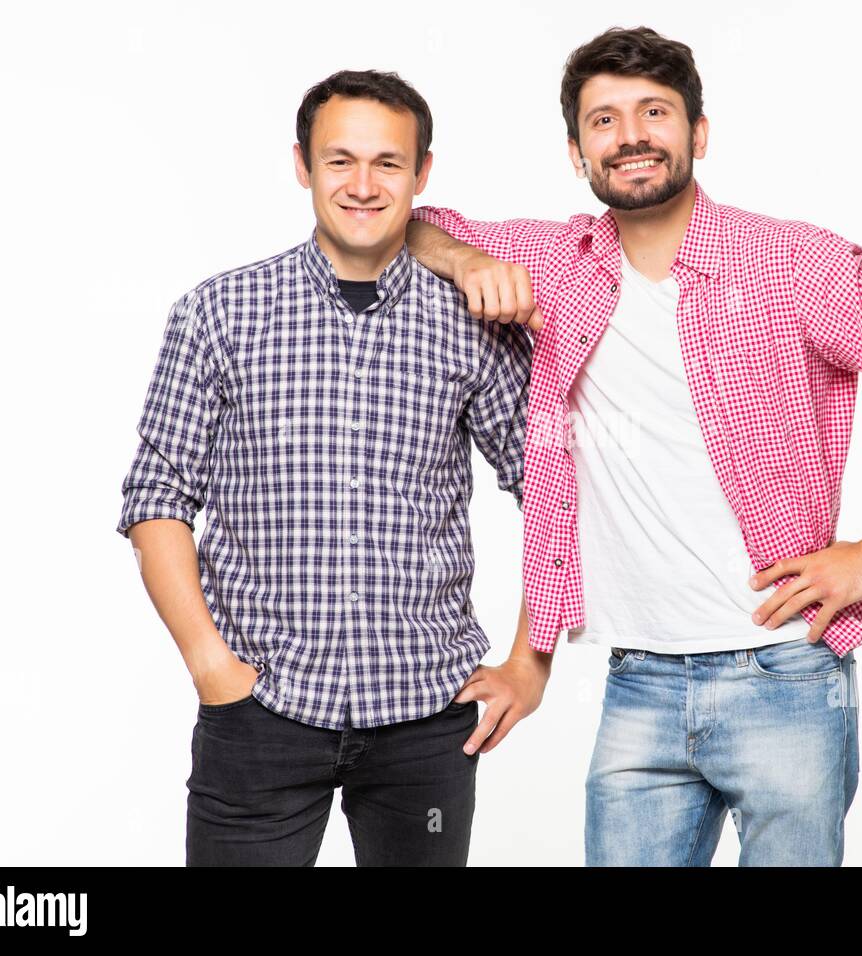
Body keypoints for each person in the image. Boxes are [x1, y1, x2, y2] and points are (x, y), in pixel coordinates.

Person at [403, 26, 862, 866]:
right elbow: (409, 223)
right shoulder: (560, 262)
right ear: (577, 152)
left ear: (698, 132)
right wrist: (473, 261)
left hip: (784, 678)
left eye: (654, 112)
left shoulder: (792, 262)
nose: (631, 137)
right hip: (637, 685)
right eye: (604, 121)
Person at [116, 69, 550, 866]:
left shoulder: (472, 322)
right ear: (302, 164)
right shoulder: (220, 313)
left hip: (425, 719)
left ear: (422, 174)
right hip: (260, 712)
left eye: (388, 163)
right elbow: (157, 495)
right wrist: (213, 667)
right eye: (339, 159)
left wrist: (529, 664)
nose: (362, 184)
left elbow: (554, 492)